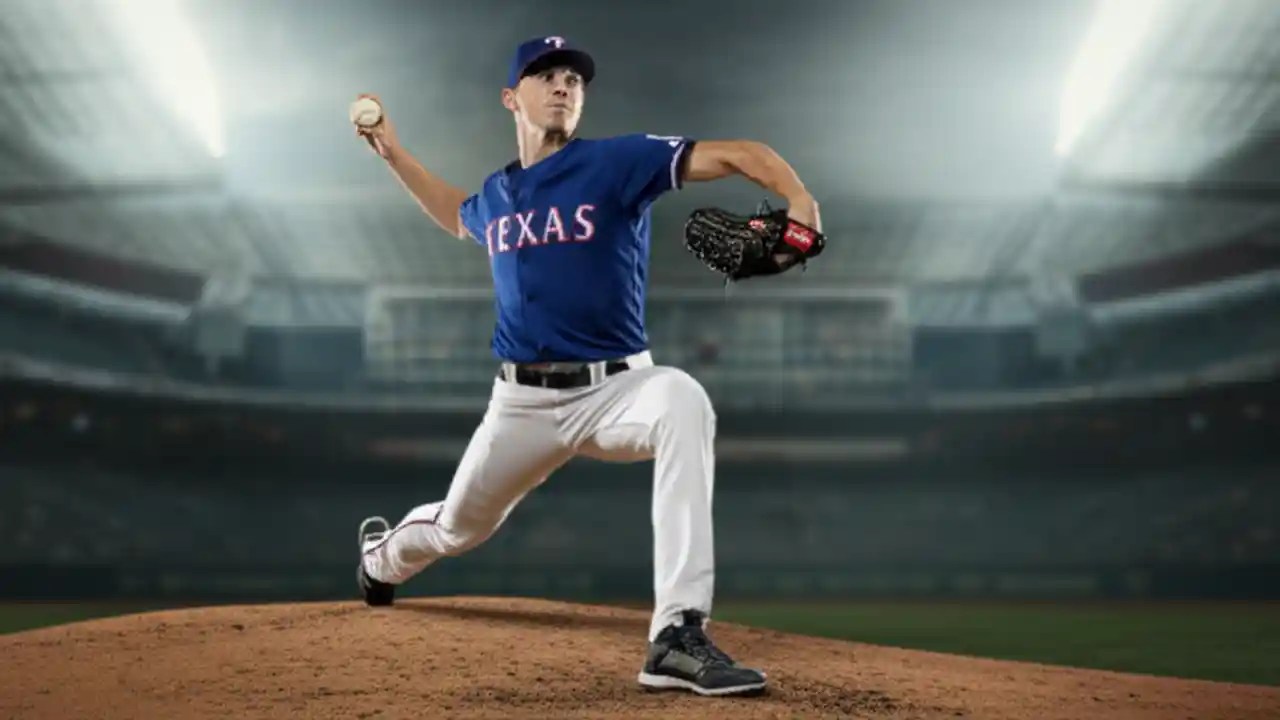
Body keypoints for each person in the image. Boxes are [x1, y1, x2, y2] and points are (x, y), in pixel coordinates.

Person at [353, 35, 821, 697]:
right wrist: (394, 155)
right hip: (520, 405)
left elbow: (741, 154)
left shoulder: (616, 162)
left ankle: (677, 634)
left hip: (619, 388)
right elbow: (457, 216)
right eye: (545, 75)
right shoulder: (498, 194)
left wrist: (800, 200)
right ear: (512, 98)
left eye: (573, 77)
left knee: (683, 399)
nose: (563, 85)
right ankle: (379, 560)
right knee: (458, 526)